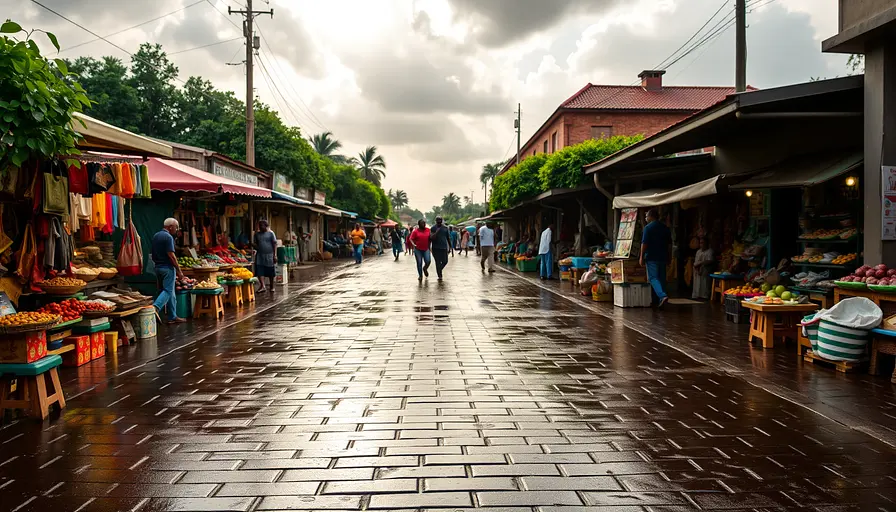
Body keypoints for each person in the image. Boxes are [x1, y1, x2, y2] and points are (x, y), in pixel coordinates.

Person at [151, 218, 185, 324]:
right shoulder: (168, 237)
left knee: (170, 292)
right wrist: (179, 270)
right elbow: (171, 255)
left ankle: (172, 316)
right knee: (168, 290)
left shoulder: (156, 236)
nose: (176, 229)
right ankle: (155, 308)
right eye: (176, 227)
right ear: (170, 226)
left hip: (157, 267)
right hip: (167, 268)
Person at [640, 208, 672, 308]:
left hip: (651, 256)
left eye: (646, 216)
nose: (645, 218)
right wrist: (669, 256)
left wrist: (641, 256)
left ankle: (662, 296)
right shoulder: (665, 228)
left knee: (653, 278)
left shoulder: (648, 228)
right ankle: (657, 300)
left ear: (651, 216)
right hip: (663, 256)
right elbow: (669, 245)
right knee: (661, 278)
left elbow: (644, 244)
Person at [253, 219, 278, 292]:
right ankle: (262, 285)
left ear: (266, 226)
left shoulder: (271, 233)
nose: (260, 227)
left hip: (269, 255)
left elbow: (274, 244)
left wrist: (275, 255)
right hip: (260, 255)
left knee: (270, 271)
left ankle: (272, 286)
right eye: (259, 226)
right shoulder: (257, 234)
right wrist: (253, 245)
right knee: (260, 270)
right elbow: (256, 245)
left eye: (262, 226)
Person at [429, 216, 453, 281]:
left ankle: (439, 269)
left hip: (444, 247)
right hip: (436, 248)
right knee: (437, 262)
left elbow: (448, 238)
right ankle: (440, 275)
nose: (439, 221)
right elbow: (431, 238)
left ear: (442, 220)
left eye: (440, 220)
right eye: (438, 220)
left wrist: (450, 247)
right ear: (436, 221)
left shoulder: (445, 228)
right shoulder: (433, 228)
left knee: (445, 261)